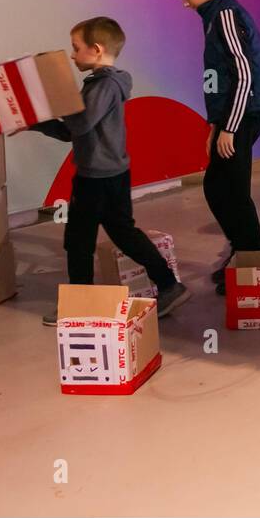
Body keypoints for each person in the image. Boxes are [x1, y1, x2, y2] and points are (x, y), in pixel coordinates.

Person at [33, 17, 190, 326]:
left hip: (97, 177)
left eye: (76, 49)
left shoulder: (103, 85)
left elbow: (77, 125)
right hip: (110, 173)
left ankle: (78, 304)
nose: (72, 55)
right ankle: (169, 285)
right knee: (123, 233)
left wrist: (56, 94)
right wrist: (33, 122)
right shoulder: (103, 84)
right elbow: (72, 132)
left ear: (96, 49)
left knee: (79, 240)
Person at [170, 0, 260, 293]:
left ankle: (251, 263)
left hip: (242, 117)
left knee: (233, 192)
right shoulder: (213, 15)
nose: (184, 4)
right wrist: (214, 125)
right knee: (217, 188)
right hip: (230, 118)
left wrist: (231, 127)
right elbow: (217, 79)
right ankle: (241, 251)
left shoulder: (224, 13)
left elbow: (243, 72)